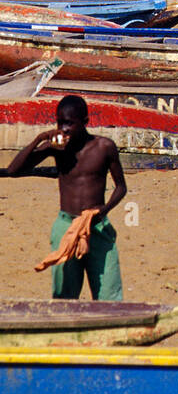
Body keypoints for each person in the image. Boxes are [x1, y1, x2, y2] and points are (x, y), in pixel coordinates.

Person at [3, 94, 126, 301]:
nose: (64, 128)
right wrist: (40, 140)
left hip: (98, 226)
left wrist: (102, 211)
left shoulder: (104, 147)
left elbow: (121, 187)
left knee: (109, 295)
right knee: (64, 297)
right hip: (66, 226)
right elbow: (14, 170)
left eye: (69, 123)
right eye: (60, 122)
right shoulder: (57, 148)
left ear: (85, 122)